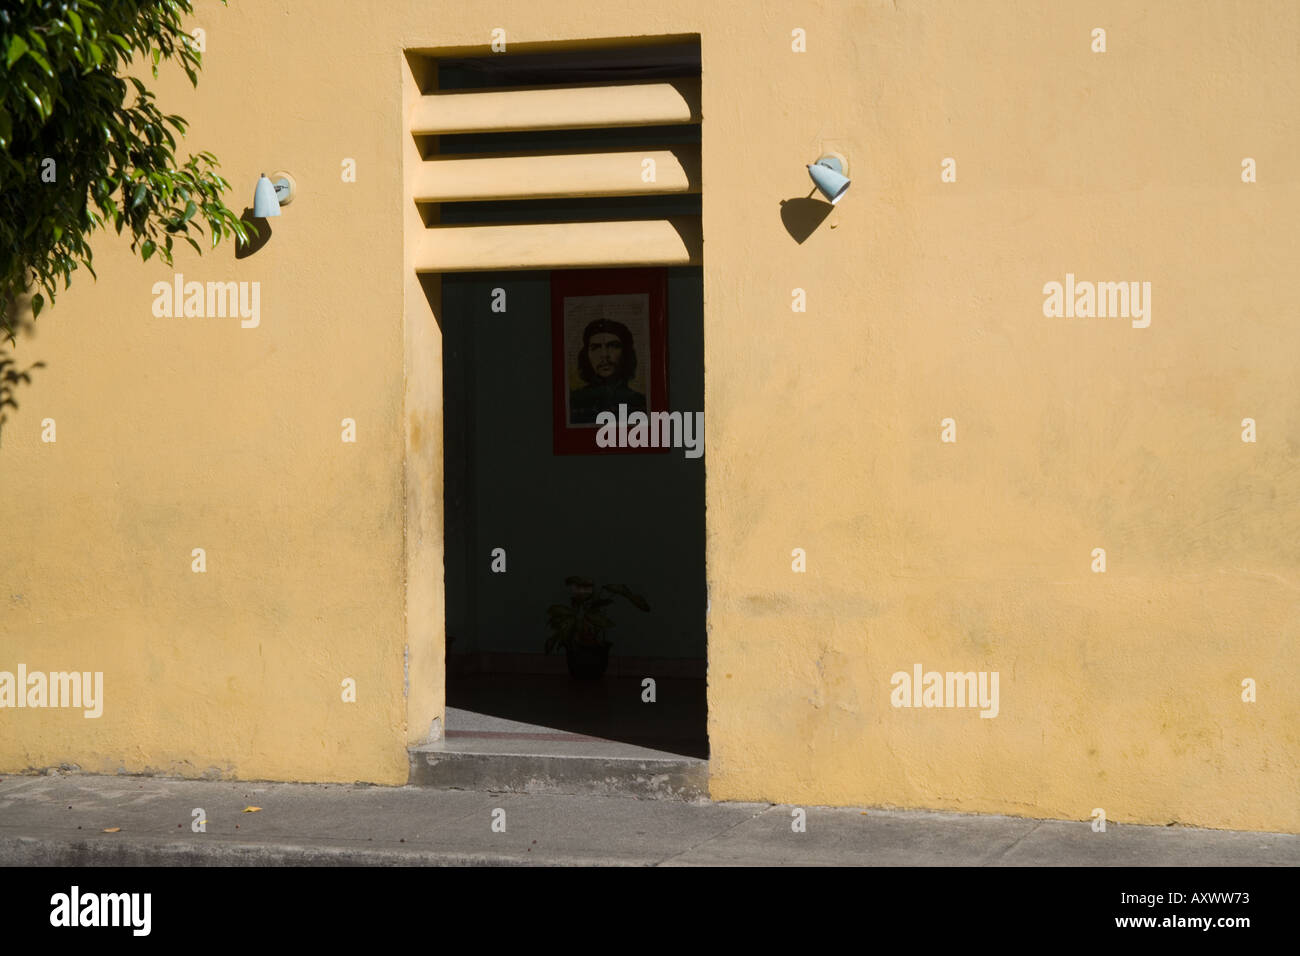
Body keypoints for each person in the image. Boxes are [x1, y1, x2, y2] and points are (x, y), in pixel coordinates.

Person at [569, 317, 646, 424]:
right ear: (586, 355)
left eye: (613, 346)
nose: (604, 355)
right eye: (596, 347)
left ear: (626, 353)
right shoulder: (573, 401)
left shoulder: (641, 403)